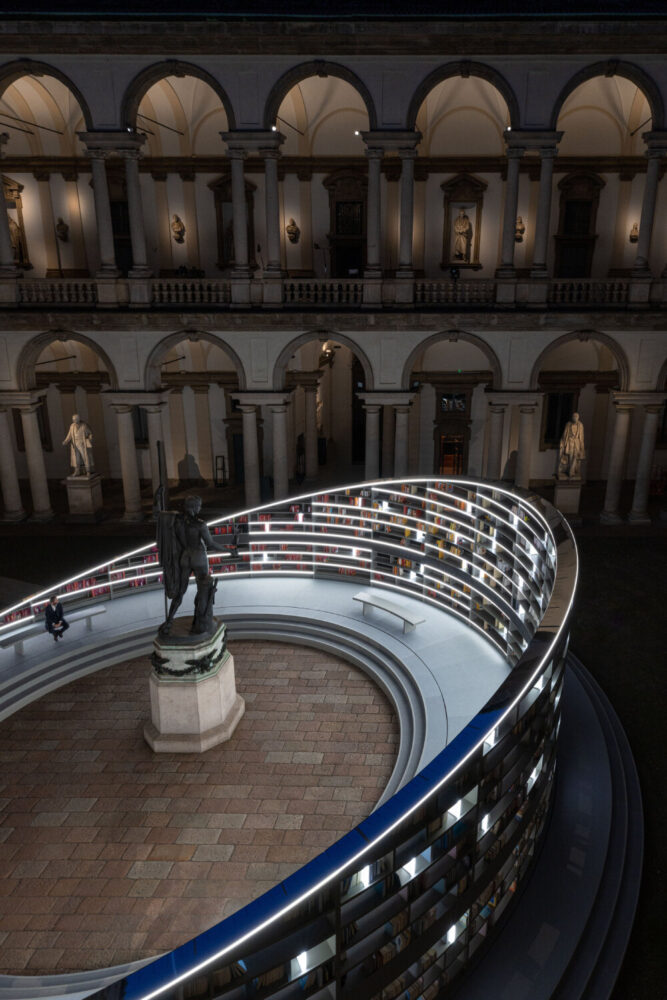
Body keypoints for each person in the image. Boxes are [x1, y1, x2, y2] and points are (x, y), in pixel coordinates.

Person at [558, 412, 586, 479]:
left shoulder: (580, 425)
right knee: (570, 456)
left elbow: (581, 436)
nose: (575, 417)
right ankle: (569, 470)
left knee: (575, 456)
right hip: (570, 442)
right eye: (574, 416)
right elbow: (565, 435)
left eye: (576, 416)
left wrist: (582, 447)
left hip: (577, 443)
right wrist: (562, 442)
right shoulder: (568, 424)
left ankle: (572, 471)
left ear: (578, 417)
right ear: (572, 417)